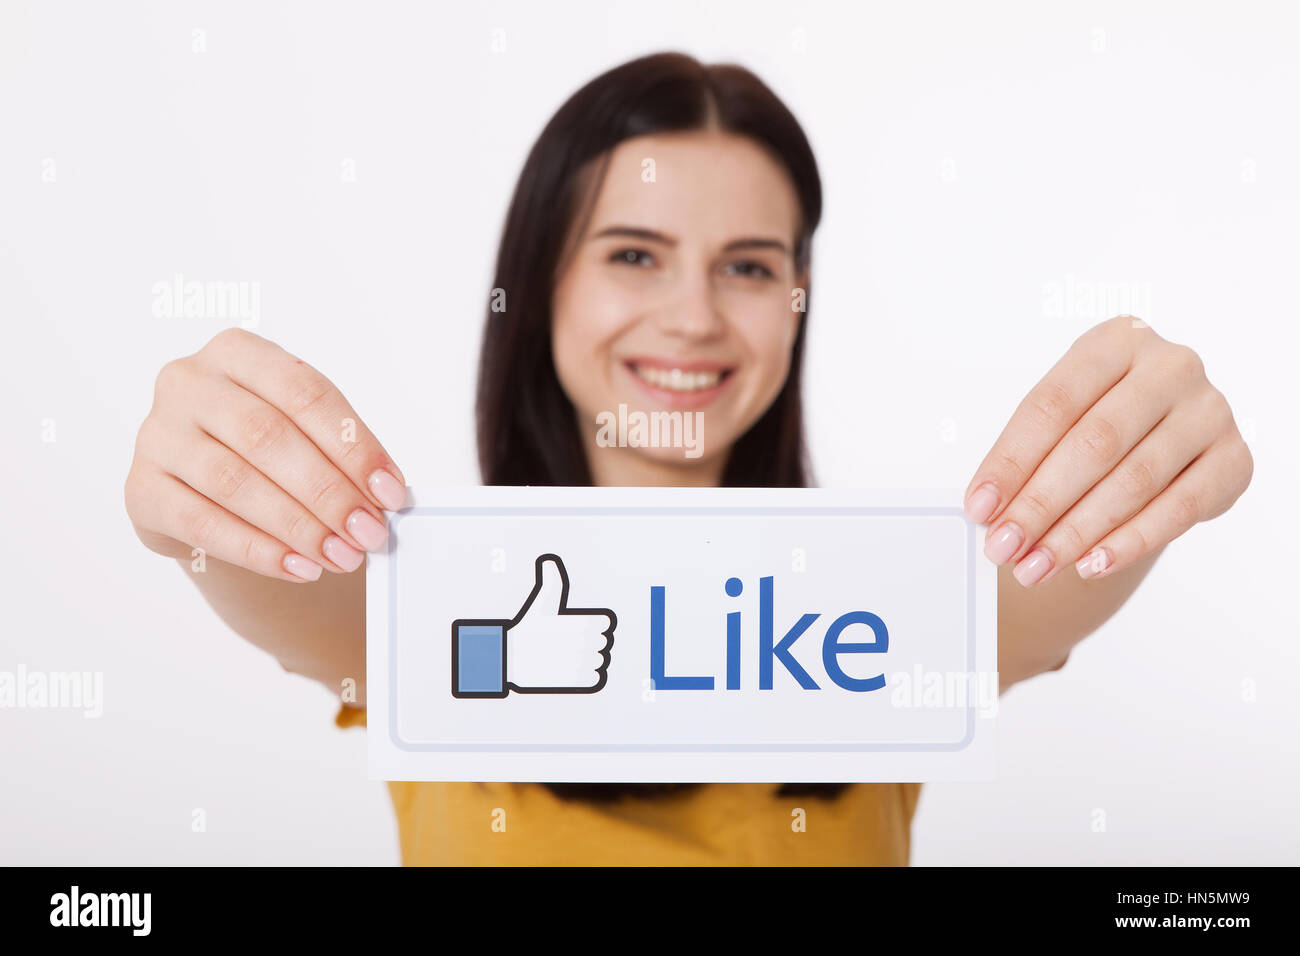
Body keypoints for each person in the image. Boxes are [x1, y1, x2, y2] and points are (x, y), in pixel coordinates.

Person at [123, 52, 1253, 865]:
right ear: (544, 284)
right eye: (633, 253)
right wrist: (191, 508)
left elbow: (1048, 573)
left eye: (750, 267)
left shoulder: (887, 604)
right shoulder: (442, 604)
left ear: (795, 304)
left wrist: (1142, 462)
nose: (694, 316)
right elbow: (300, 594)